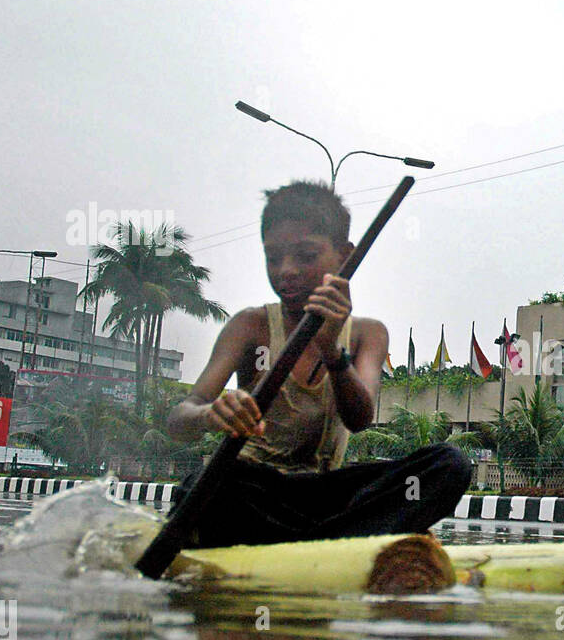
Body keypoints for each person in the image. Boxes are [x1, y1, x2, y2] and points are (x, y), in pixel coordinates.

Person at [166, 179, 471, 548]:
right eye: (273, 257)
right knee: (204, 487)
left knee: (448, 466)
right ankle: (347, 539)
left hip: (323, 495)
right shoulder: (250, 325)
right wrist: (211, 414)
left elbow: (359, 419)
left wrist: (331, 350)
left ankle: (320, 540)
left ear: (345, 256)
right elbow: (180, 419)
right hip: (253, 488)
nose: (286, 271)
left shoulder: (367, 334)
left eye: (306, 256)